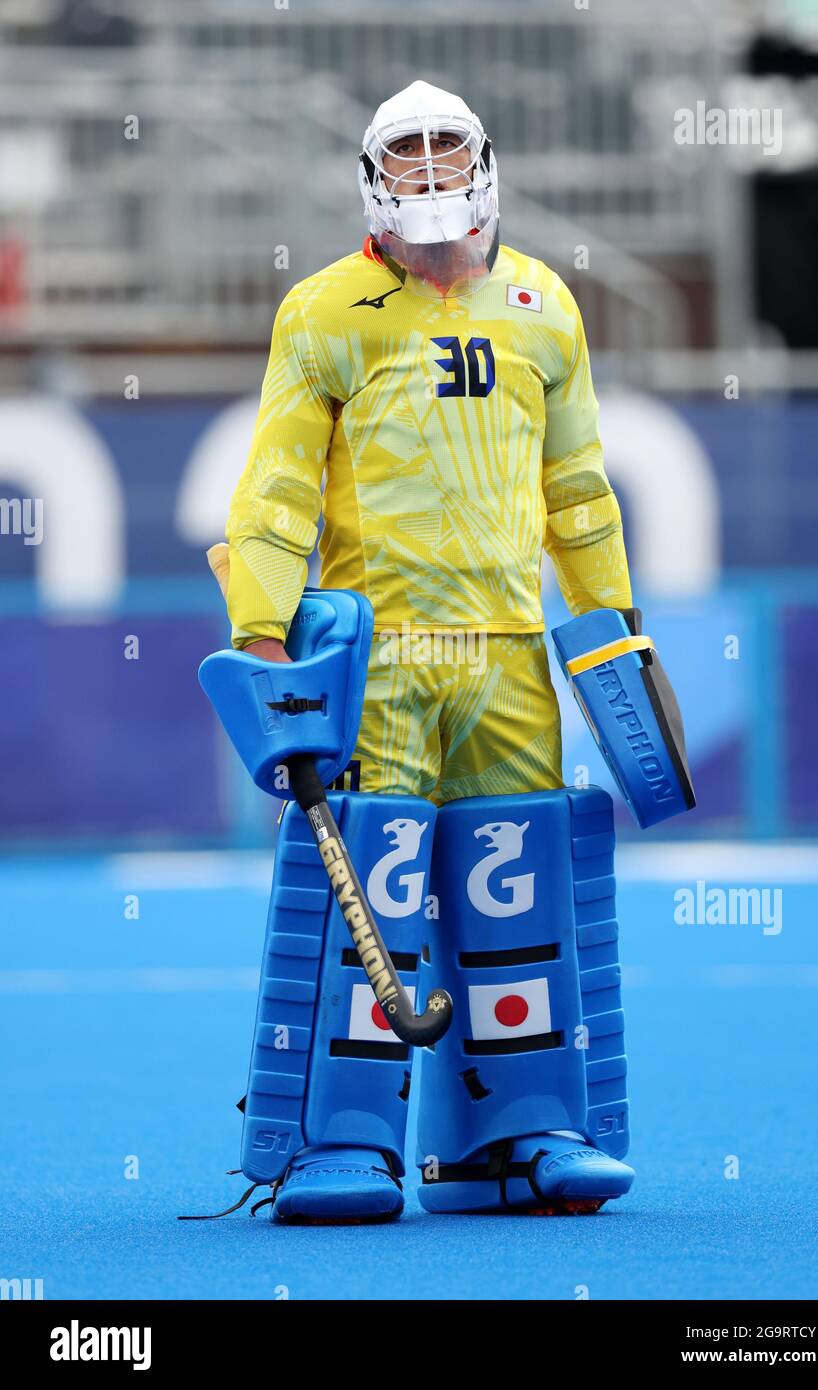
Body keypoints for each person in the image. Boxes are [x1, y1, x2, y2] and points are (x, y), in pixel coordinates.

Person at [221, 79, 636, 1221]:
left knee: (518, 895)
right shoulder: (321, 310)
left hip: (508, 654)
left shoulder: (544, 303)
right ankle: (337, 1142)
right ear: (370, 178)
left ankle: (518, 1134)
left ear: (485, 163)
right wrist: (262, 633)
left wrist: (611, 632)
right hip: (381, 657)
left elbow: (577, 489)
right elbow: (274, 490)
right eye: (404, 156)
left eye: (445, 152)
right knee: (374, 885)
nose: (429, 175)